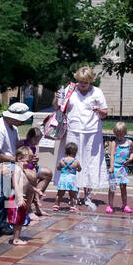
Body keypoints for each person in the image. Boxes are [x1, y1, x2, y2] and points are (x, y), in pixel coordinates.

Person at [55, 66, 109, 209]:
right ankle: (74, 194)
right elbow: (59, 108)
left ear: (91, 80)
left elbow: (105, 112)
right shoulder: (70, 90)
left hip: (92, 132)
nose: (82, 84)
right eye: (80, 81)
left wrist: (99, 110)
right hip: (73, 130)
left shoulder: (97, 92)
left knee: (90, 162)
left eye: (86, 82)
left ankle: (88, 195)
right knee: (73, 161)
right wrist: (56, 99)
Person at [7, 147, 34, 245]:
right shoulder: (17, 170)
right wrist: (20, 197)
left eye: (30, 162)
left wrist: (36, 190)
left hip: (20, 198)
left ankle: (17, 237)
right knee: (16, 220)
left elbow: (27, 184)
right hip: (15, 198)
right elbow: (15, 184)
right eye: (27, 161)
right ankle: (16, 239)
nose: (29, 164)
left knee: (20, 219)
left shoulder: (22, 171)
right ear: (19, 159)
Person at [106, 121, 133, 213]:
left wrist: (130, 159)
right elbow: (112, 155)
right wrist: (111, 167)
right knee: (112, 188)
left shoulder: (129, 142)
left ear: (125, 133)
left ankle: (125, 204)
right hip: (115, 168)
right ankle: (110, 205)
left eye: (121, 135)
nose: (119, 137)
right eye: (117, 134)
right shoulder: (114, 143)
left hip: (123, 169)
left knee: (123, 188)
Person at [55, 143, 81, 210]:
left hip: (63, 179)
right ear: (75, 152)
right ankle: (72, 207)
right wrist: (77, 169)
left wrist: (61, 169)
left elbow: (58, 168)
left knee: (59, 194)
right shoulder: (76, 161)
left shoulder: (62, 160)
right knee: (72, 195)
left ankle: (56, 205)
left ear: (66, 151)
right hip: (71, 179)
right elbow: (80, 169)